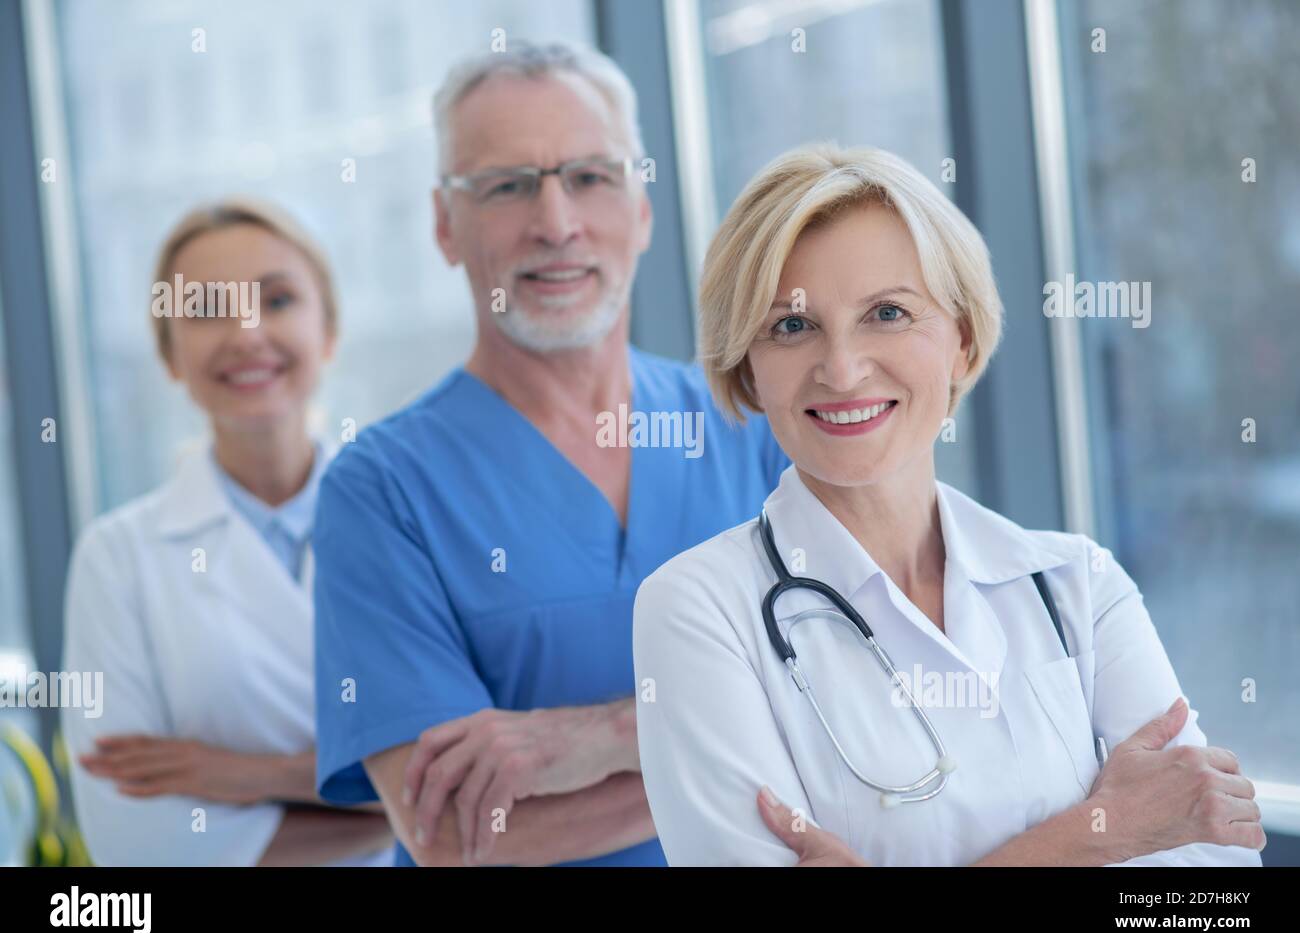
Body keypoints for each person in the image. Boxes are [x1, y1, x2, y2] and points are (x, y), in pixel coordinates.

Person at [633, 144, 1266, 866]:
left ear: (961, 343)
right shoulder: (696, 609)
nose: (841, 368)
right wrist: (1103, 832)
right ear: (747, 364)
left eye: (888, 313)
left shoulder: (1075, 585)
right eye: (792, 325)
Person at [311, 41, 787, 867]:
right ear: (443, 225)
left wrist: (601, 736)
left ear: (640, 210)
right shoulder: (382, 490)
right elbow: (457, 836)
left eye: (590, 177)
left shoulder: (758, 424)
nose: (556, 223)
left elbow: (867, 703)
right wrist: (746, 745)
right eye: (507, 186)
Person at [62, 199, 394, 865]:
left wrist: (246, 775)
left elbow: (474, 771)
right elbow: (136, 842)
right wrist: (394, 816)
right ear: (169, 355)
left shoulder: (408, 524)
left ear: (328, 331)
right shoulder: (118, 558)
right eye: (208, 310)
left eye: (276, 301)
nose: (245, 333)